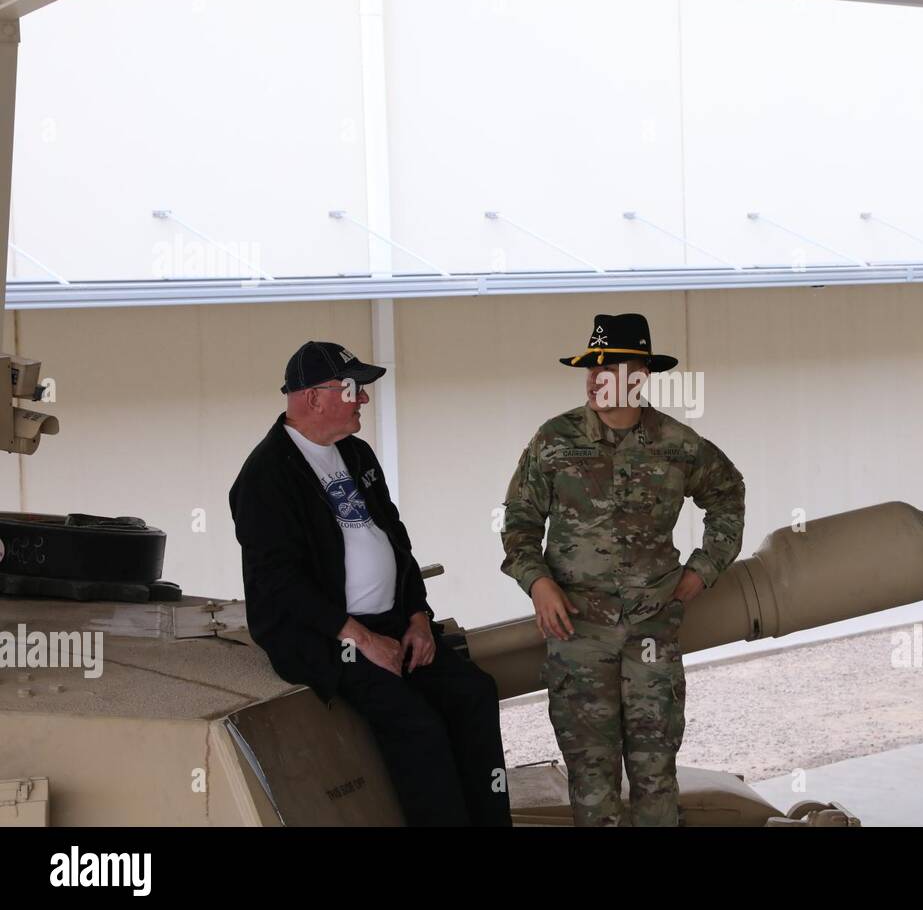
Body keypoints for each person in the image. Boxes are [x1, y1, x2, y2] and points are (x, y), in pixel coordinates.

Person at [229, 340, 511, 826]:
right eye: (352, 388)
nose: (363, 399)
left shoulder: (355, 453)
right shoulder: (265, 476)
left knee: (474, 693)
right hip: (327, 636)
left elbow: (396, 540)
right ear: (312, 398)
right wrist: (359, 639)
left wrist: (419, 618)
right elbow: (278, 582)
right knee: (417, 726)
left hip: (391, 623)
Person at [500, 313, 745, 826]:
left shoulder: (677, 444)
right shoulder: (554, 440)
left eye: (606, 367)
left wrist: (704, 568)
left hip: (652, 630)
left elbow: (727, 495)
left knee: (656, 771)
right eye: (590, 368)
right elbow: (519, 521)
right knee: (591, 776)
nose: (592, 379)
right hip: (577, 633)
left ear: (638, 375)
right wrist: (537, 581)